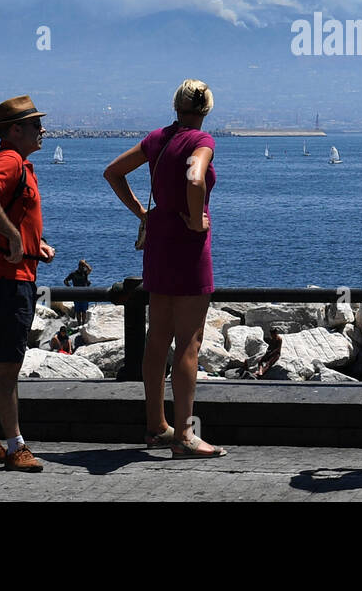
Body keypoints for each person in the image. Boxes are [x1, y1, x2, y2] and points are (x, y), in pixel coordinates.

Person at [103, 78, 225, 458]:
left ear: (176, 106)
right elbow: (194, 176)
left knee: (157, 339)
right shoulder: (202, 142)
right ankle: (185, 436)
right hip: (188, 247)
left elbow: (113, 172)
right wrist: (193, 217)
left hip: (158, 243)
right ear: (206, 110)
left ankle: (156, 425)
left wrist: (142, 211)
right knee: (189, 342)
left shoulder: (157, 138)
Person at [0, 95, 55, 473]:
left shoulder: (17, 162)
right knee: (8, 368)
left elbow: (12, 213)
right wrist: (14, 239)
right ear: (15, 130)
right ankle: (17, 446)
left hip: (1, 274)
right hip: (7, 280)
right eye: (36, 125)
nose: (43, 130)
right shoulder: (9, 160)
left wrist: (34, 245)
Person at [64, 259, 93, 325]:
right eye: (82, 265)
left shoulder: (84, 273)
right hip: (77, 293)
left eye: (83, 266)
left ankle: (82, 323)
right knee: (78, 310)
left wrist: (68, 286)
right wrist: (69, 287)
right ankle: (80, 323)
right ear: (79, 266)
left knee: (83, 310)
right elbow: (66, 281)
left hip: (83, 293)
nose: (83, 267)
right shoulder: (74, 273)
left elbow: (90, 269)